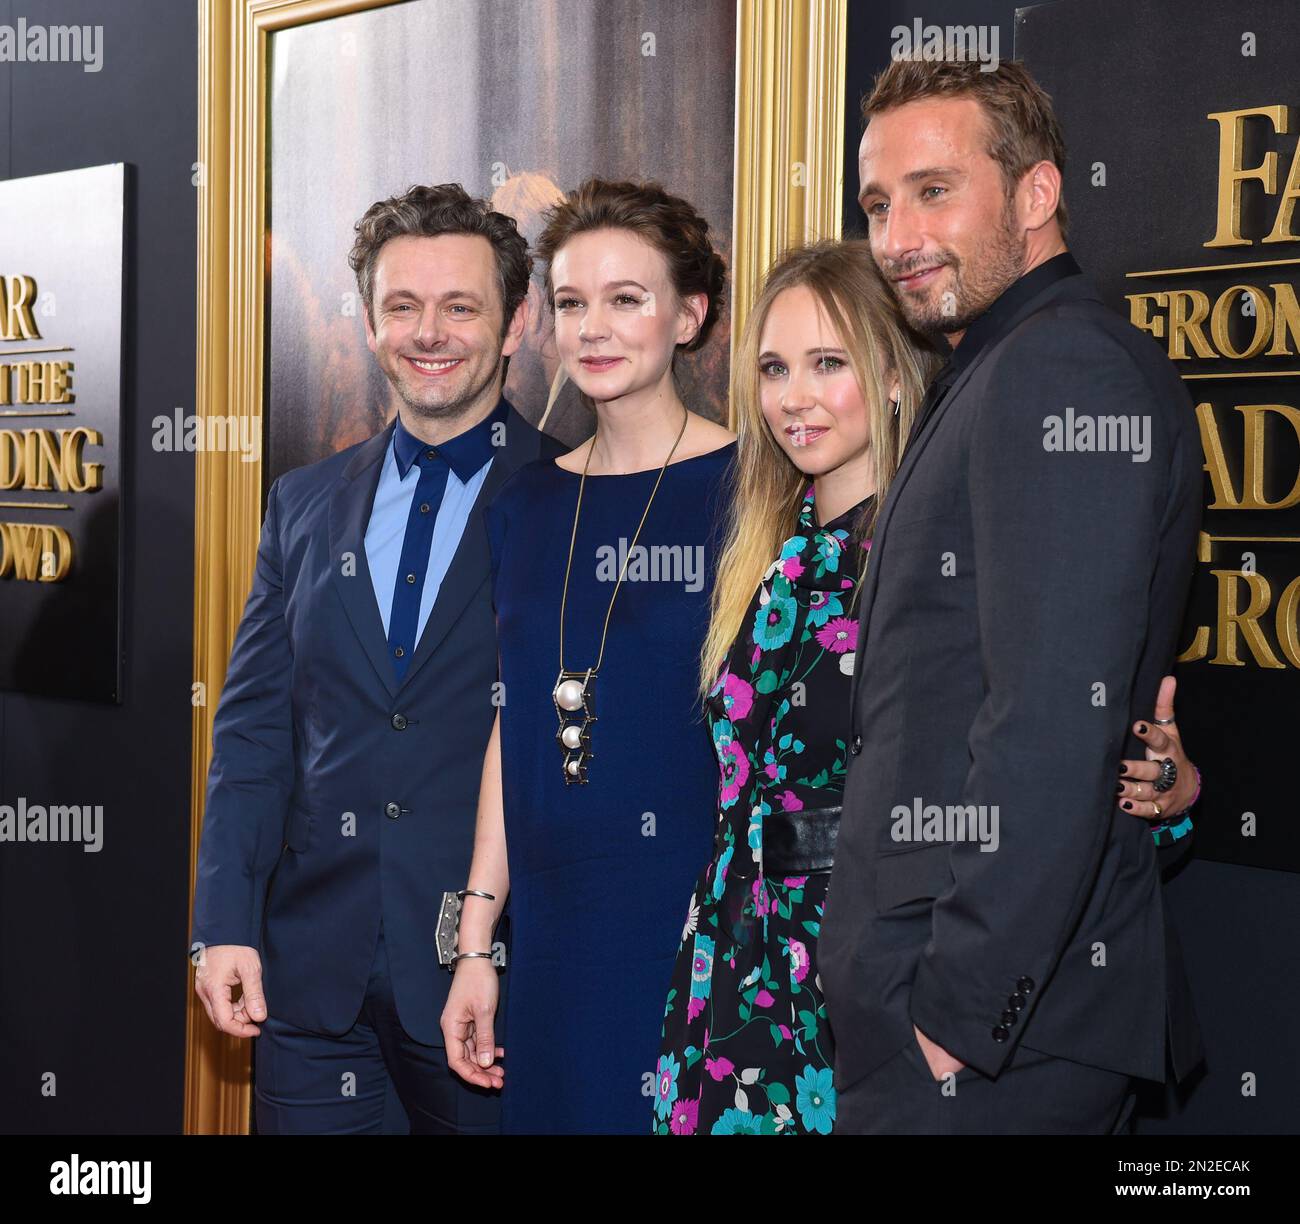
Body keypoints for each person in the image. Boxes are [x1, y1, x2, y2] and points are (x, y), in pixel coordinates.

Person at [653, 240, 1202, 1136]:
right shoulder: (766, 558)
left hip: (872, 980)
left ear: (895, 377)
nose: (796, 396)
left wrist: (1170, 792)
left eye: (829, 364)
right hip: (734, 972)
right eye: (774, 368)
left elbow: (1050, 750)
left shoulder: (948, 566)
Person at [817, 53, 1205, 1135]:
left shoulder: (1058, 372)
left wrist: (959, 1012)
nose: (895, 237)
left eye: (934, 191)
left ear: (1035, 194)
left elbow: (1048, 721)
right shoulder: (997, 363)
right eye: (877, 204)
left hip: (991, 1042)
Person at [190, 183, 562, 1134]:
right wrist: (223, 922)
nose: (428, 333)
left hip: (496, 991)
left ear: (516, 323)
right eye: (402, 306)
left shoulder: (576, 500)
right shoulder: (302, 505)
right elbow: (254, 736)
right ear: (367, 322)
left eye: (460, 307)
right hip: (310, 988)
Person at [440, 178, 736, 1133]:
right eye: (572, 303)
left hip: (698, 927)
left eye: (627, 298)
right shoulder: (524, 503)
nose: (594, 328)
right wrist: (478, 937)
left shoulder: (757, 494)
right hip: (554, 939)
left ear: (688, 316)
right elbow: (515, 722)